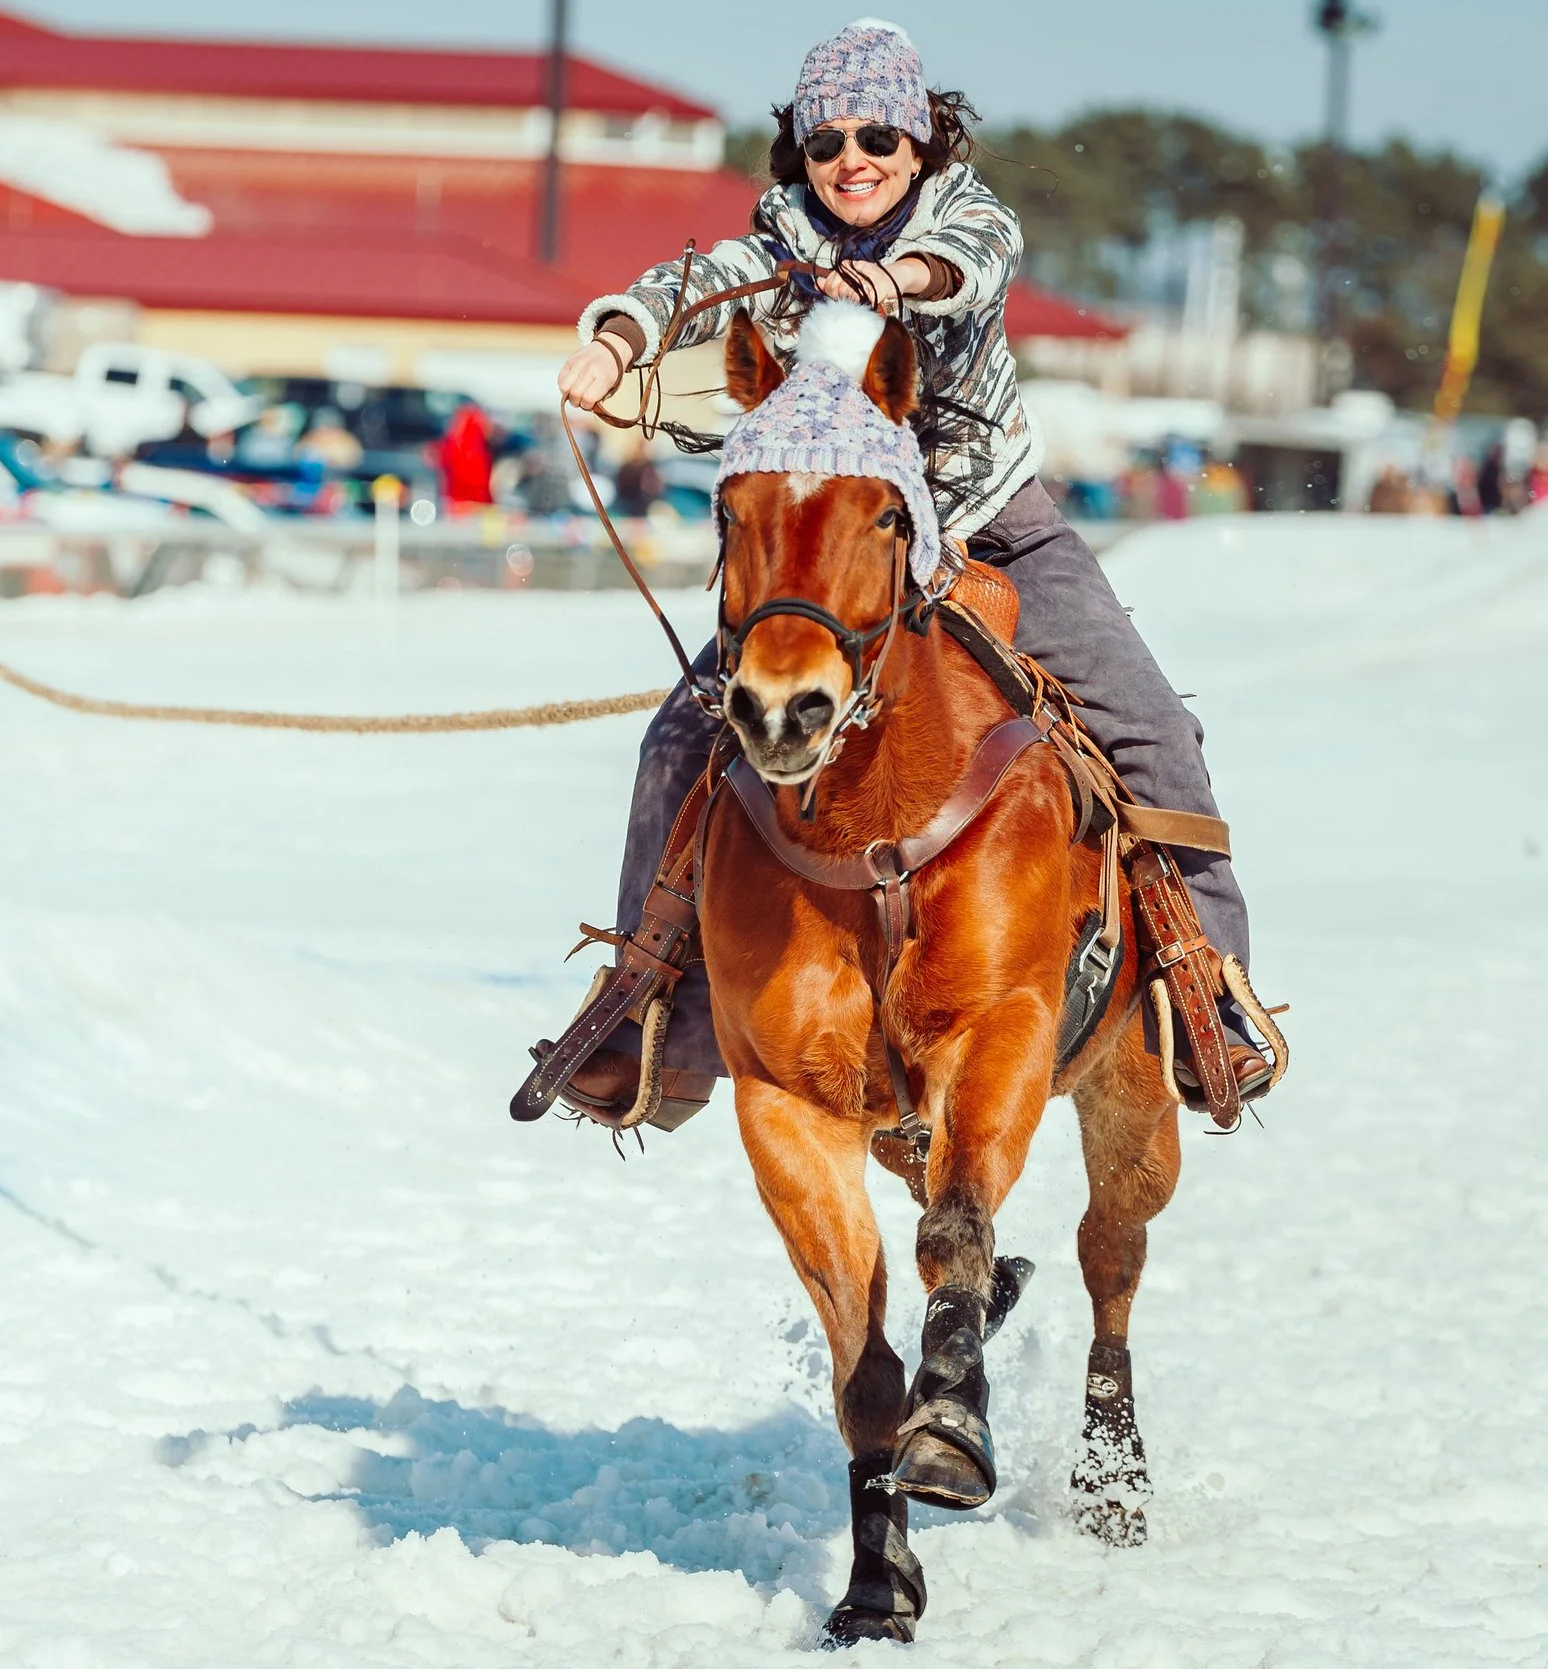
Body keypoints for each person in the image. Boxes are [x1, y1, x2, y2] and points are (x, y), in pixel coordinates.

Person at [539, 19, 1272, 1127]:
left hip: (990, 525)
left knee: (1154, 728)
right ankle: (650, 1004)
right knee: (678, 741)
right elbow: (691, 283)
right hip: (839, 553)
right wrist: (616, 339)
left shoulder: (965, 217)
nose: (851, 160)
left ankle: (1204, 984)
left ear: (920, 139)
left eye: (876, 135)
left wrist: (891, 285)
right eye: (825, 141)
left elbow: (962, 267)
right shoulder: (780, 238)